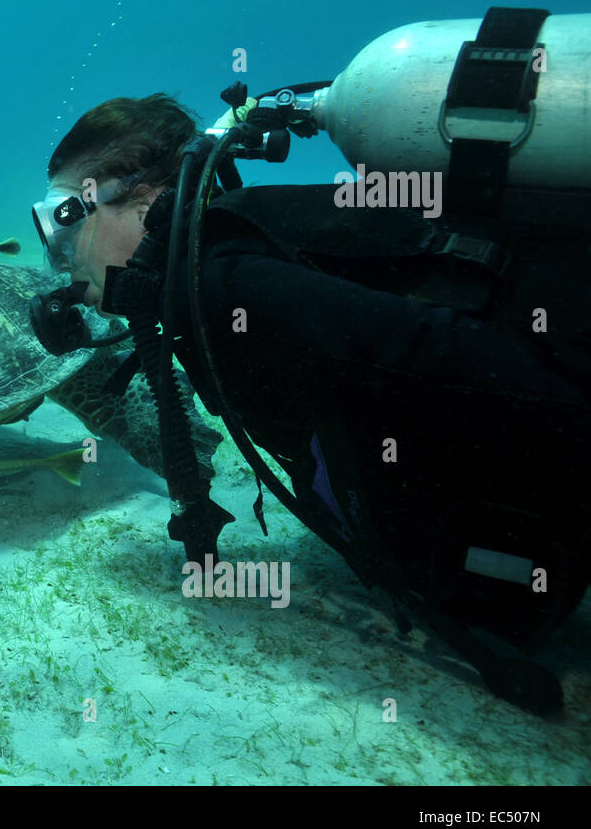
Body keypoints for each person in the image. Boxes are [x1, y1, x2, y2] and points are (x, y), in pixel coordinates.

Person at [33, 92, 591, 706]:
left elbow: (490, 373)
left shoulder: (227, 284)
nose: (59, 258)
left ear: (139, 199)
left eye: (65, 220)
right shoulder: (214, 265)